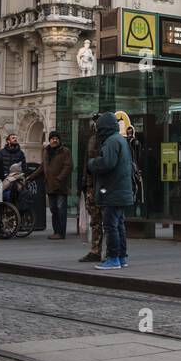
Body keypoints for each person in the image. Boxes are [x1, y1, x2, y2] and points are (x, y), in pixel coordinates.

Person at [87, 111, 134, 270]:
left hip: (113, 190)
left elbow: (107, 163)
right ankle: (121, 257)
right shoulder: (119, 139)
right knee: (119, 224)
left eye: (98, 127)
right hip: (120, 190)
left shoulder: (111, 141)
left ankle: (113, 258)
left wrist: (92, 163)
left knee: (110, 225)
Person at [32, 130, 72, 239]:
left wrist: (59, 178)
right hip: (50, 185)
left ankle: (61, 233)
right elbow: (42, 167)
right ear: (49, 140)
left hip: (60, 186)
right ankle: (56, 232)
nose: (54, 140)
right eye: (52, 138)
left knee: (61, 210)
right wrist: (30, 177)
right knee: (53, 209)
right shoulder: (46, 151)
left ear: (59, 140)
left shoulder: (65, 151)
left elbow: (68, 166)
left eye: (56, 138)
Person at [78, 119, 103, 263]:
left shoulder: (103, 140)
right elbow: (86, 163)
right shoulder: (91, 139)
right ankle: (95, 250)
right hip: (92, 184)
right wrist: (84, 182)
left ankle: (112, 252)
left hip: (99, 185)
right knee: (95, 220)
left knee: (105, 221)